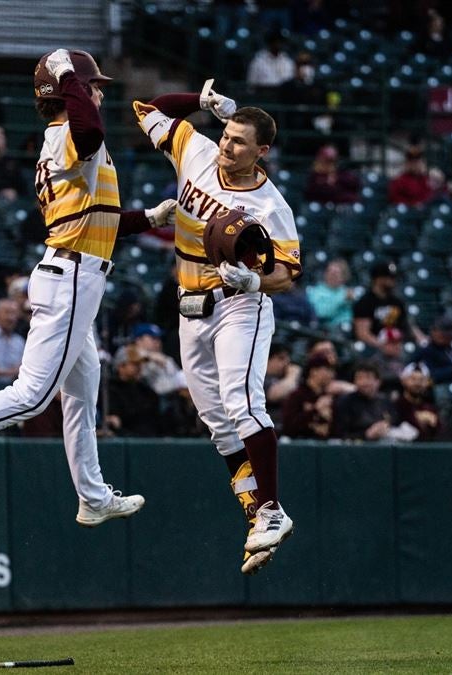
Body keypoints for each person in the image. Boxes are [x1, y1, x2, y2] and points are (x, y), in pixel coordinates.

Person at [0, 50, 169, 535]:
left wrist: (148, 219)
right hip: (71, 277)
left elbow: (90, 219)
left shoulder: (65, 139)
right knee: (32, 395)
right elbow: (90, 132)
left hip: (75, 270)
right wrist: (68, 76)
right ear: (71, 92)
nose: (100, 91)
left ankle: (91, 496)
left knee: (84, 391)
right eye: (94, 85)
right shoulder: (70, 133)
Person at [132, 79, 305, 574]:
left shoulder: (271, 205)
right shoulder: (197, 149)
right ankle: (257, 517)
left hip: (238, 305)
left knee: (242, 403)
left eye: (239, 141)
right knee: (217, 425)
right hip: (189, 307)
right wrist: (201, 102)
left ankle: (272, 509)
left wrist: (254, 281)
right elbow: (148, 108)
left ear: (261, 151)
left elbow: (287, 274)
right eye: (226, 134)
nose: (228, 145)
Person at [352, 260, 426, 349]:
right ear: (378, 279)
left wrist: (422, 340)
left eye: (394, 277)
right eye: (389, 277)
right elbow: (363, 334)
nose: (393, 281)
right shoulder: (365, 302)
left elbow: (409, 325)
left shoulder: (397, 301)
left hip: (398, 346)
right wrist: (383, 346)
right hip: (375, 349)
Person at [103, 345, 162, 436]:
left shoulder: (146, 390)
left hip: (149, 439)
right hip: (124, 437)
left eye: (140, 364)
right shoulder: (109, 389)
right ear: (121, 366)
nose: (139, 367)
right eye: (134, 364)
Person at [335, 361, 398, 441]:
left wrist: (386, 426)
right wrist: (366, 435)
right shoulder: (345, 402)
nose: (364, 382)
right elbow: (340, 435)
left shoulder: (385, 401)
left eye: (368, 378)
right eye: (359, 378)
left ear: (378, 381)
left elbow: (395, 423)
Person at [280, 353, 336, 439]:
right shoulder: (296, 396)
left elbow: (339, 431)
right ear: (314, 371)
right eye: (327, 369)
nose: (331, 374)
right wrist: (315, 409)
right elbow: (288, 427)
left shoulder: (329, 397)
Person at [305, 259, 353, 330]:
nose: (332, 275)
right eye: (329, 272)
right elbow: (320, 313)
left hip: (346, 330)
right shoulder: (315, 291)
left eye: (336, 273)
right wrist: (343, 299)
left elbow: (350, 317)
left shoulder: (348, 291)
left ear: (343, 277)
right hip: (323, 329)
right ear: (325, 273)